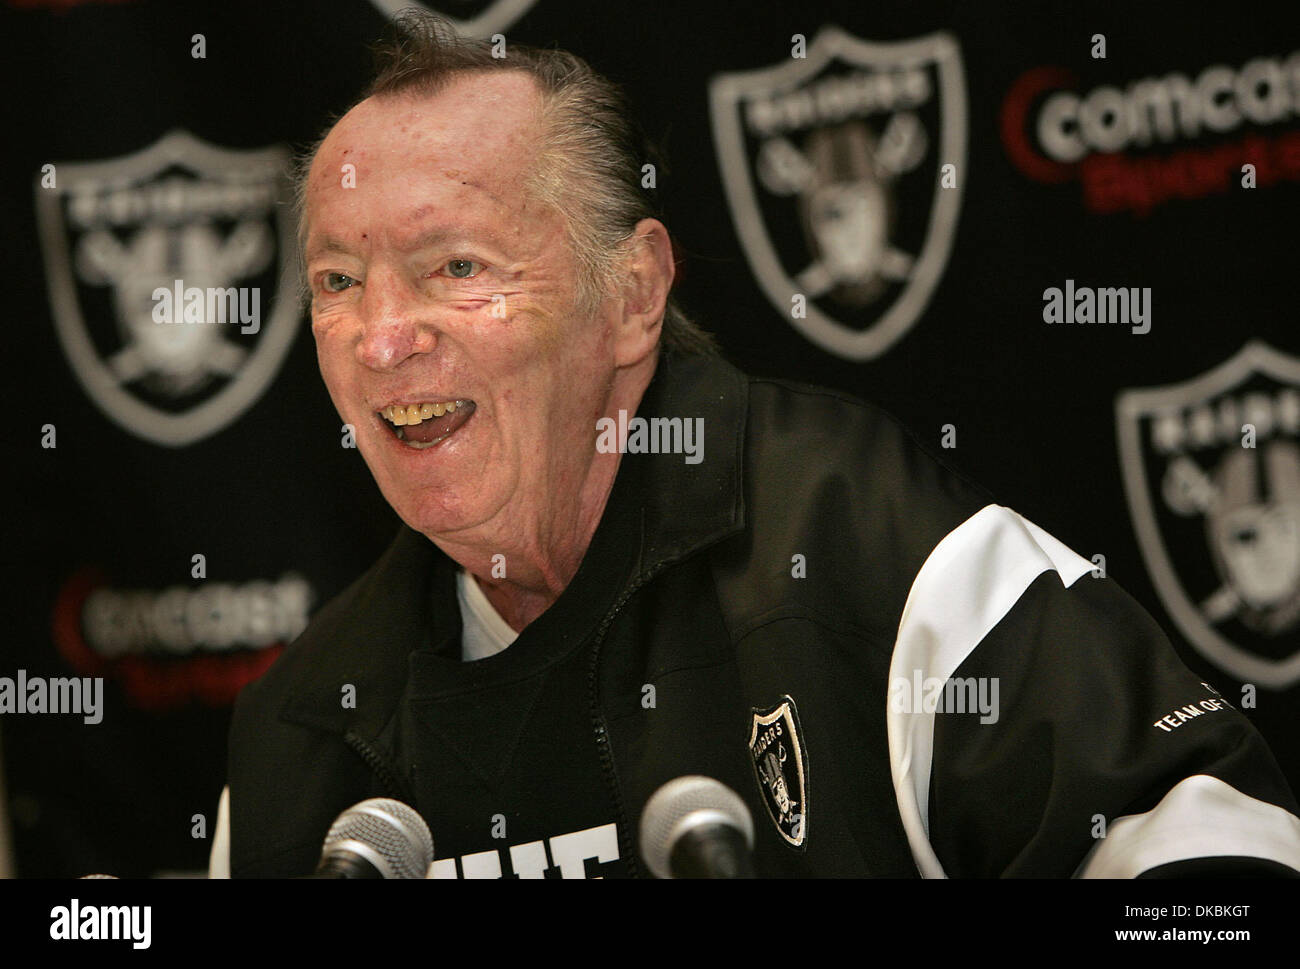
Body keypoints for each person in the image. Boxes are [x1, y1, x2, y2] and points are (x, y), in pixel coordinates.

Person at [211, 13, 1300, 878]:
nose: (383, 339)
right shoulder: (305, 729)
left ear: (632, 295)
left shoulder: (859, 541)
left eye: (455, 268)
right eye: (338, 284)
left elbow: (1217, 856)